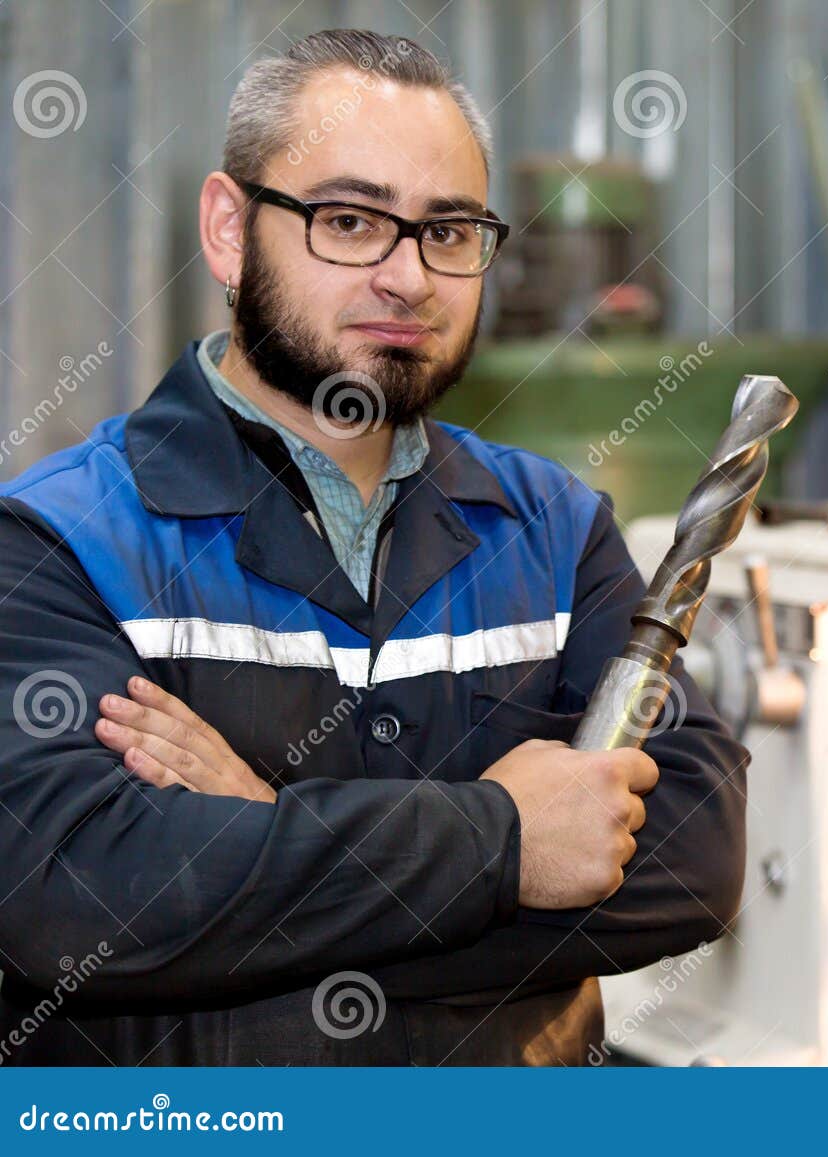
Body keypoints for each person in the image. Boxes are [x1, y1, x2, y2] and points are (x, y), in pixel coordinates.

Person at [0, 29, 746, 1065]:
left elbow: (693, 856)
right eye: (349, 221)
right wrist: (506, 842)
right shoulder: (60, 540)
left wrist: (264, 833)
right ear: (228, 230)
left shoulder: (555, 530)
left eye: (447, 232)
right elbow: (75, 899)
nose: (407, 276)